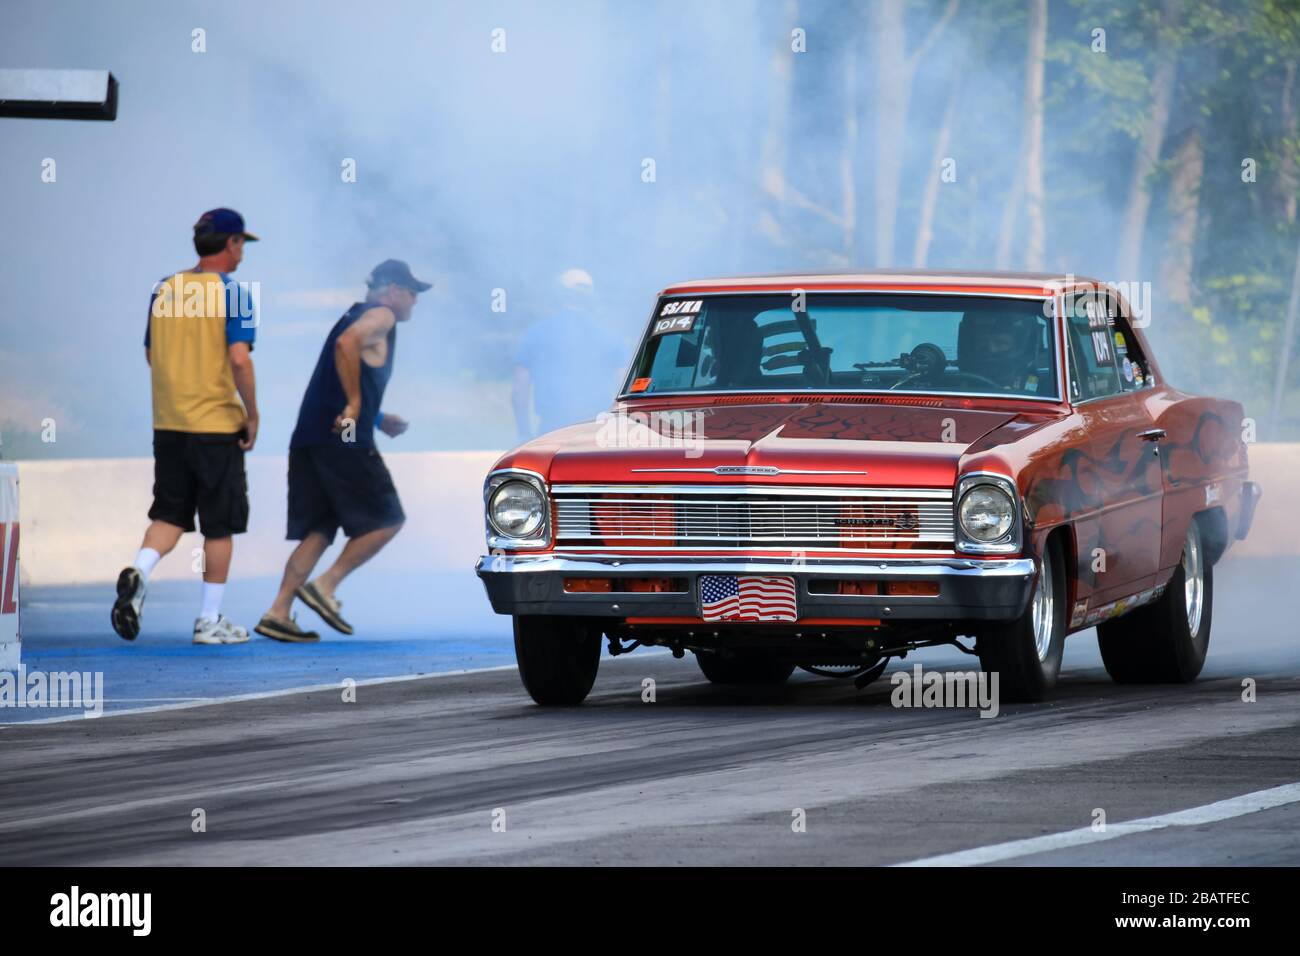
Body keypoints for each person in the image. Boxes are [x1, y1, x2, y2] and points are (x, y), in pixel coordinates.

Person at [254, 259, 428, 642]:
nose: (415, 302)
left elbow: (347, 362)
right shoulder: (381, 315)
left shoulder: (354, 313)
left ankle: (278, 611)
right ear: (394, 290)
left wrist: (377, 417)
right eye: (413, 294)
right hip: (344, 435)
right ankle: (326, 586)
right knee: (388, 519)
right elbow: (346, 344)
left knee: (319, 528)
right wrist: (354, 407)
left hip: (311, 435)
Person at [111, 208, 260, 645]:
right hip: (214, 424)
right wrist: (252, 413)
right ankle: (209, 620)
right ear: (231, 243)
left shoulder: (165, 288)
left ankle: (140, 571)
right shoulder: (232, 293)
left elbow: (151, 355)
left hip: (169, 424)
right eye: (241, 246)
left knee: (169, 513)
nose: (242, 256)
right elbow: (238, 358)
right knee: (219, 524)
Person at [511, 268, 629, 440]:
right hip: (597, 431)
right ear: (591, 297)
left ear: (559, 295)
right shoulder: (612, 336)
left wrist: (523, 433)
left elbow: (519, 390)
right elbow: (624, 390)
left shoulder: (536, 334)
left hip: (552, 430)